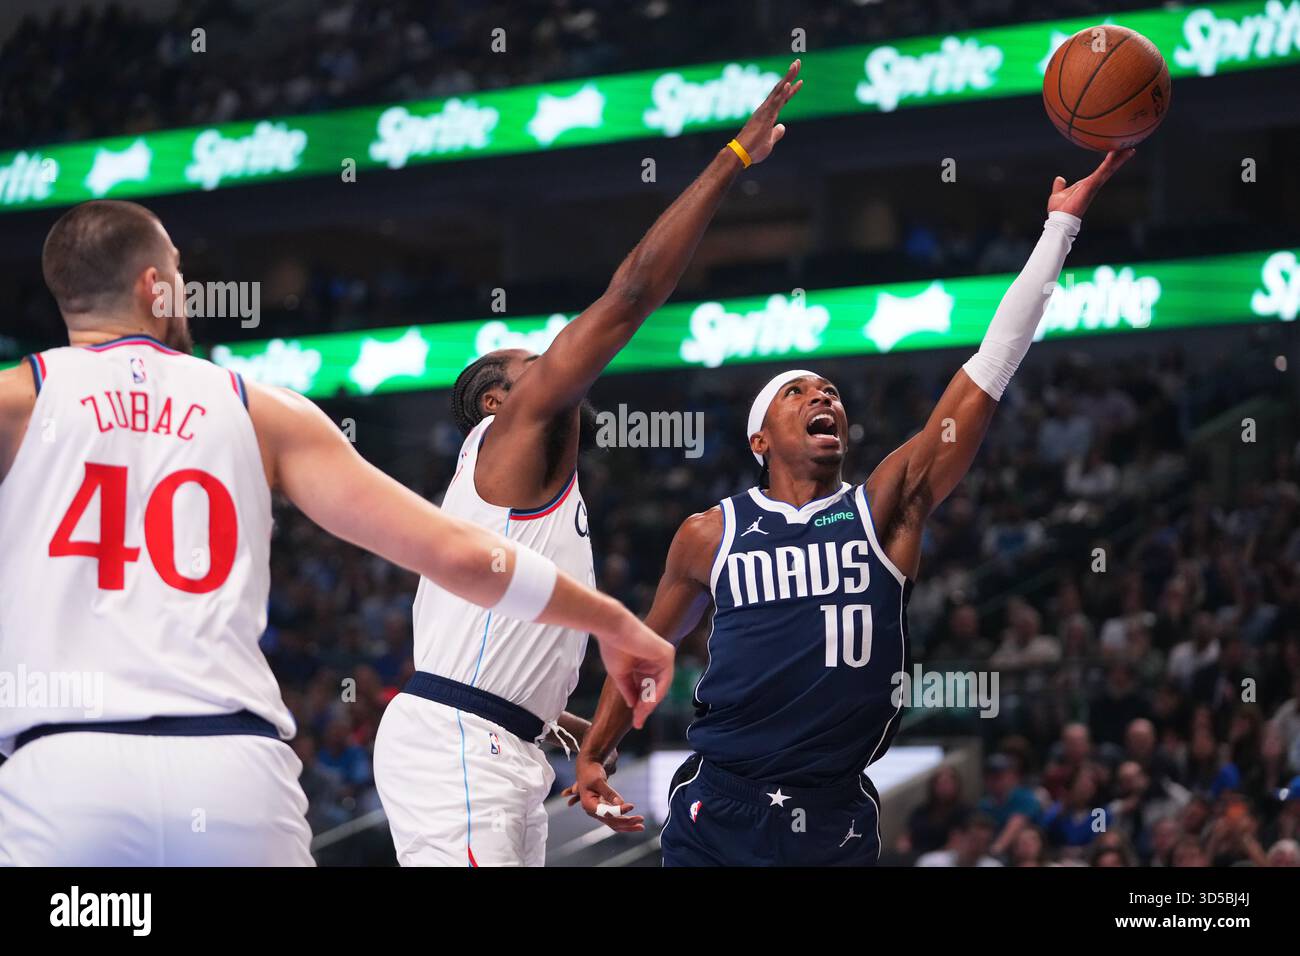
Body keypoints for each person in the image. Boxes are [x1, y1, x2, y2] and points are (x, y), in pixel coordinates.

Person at [0, 199, 672, 866]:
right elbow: (457, 554)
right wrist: (617, 623)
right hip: (230, 767)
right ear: (154, 286)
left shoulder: (16, 401)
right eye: (178, 272)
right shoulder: (259, 408)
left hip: (64, 764)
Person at [568, 150, 1135, 865]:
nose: (823, 396)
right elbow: (647, 655)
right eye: (797, 391)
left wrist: (1059, 230)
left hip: (832, 810)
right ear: (758, 437)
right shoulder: (710, 533)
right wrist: (596, 753)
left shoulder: (884, 509)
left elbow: (987, 372)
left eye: (830, 390)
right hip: (722, 802)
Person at [372, 63, 804, 867]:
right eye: (529, 364)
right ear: (499, 404)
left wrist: (568, 730)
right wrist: (732, 161)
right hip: (459, 750)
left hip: (497, 745)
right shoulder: (508, 440)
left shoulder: (516, 492)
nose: (550, 367)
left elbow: (496, 643)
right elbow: (634, 291)